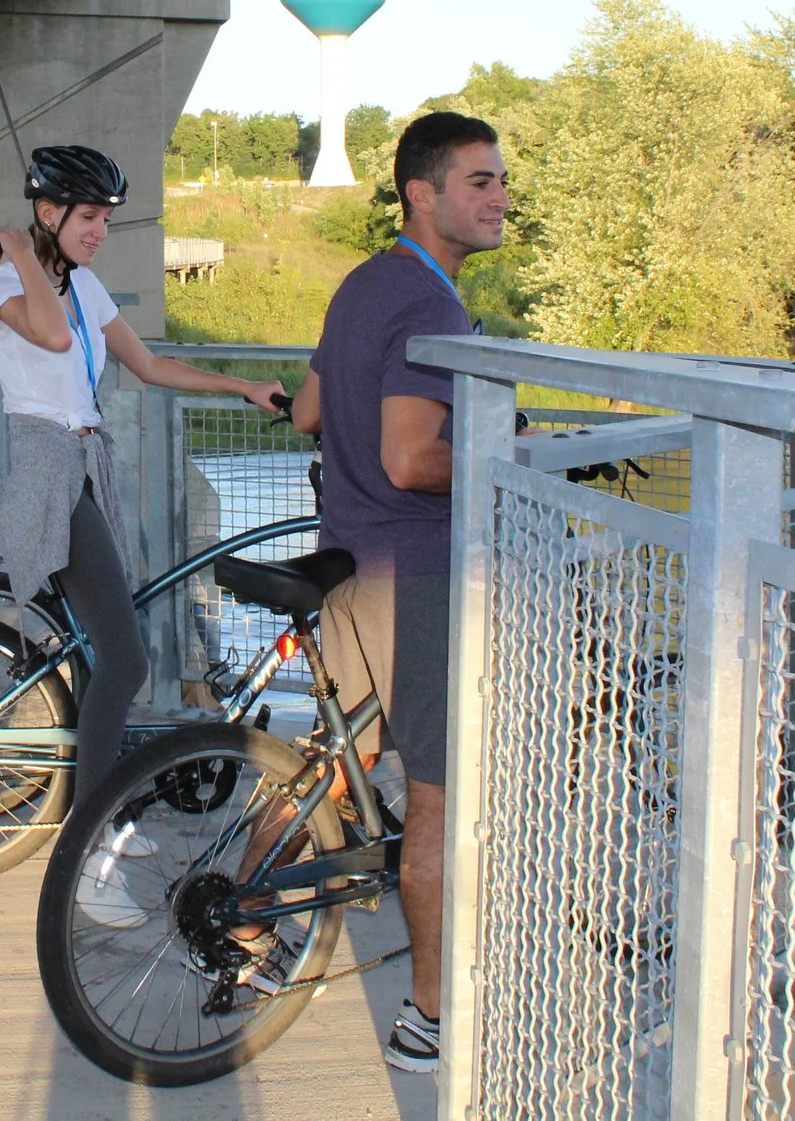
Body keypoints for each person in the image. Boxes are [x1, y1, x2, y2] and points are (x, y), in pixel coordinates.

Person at [0, 145, 287, 912]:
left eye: (106, 219)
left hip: (89, 466)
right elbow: (51, 339)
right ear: (49, 213)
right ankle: (85, 858)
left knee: (105, 651)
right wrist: (21, 252)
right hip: (48, 473)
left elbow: (146, 364)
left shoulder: (80, 283)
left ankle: (99, 802)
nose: (101, 232)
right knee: (123, 657)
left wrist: (241, 384)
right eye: (89, 217)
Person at [288, 110, 510, 1073]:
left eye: (502, 181)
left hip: (348, 559)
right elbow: (414, 458)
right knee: (436, 794)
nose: (501, 199)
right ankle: (429, 1013)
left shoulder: (362, 284)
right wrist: (511, 454)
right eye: (480, 181)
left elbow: (305, 409)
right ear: (424, 192)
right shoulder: (432, 306)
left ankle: (249, 943)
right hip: (414, 569)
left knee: (330, 769)